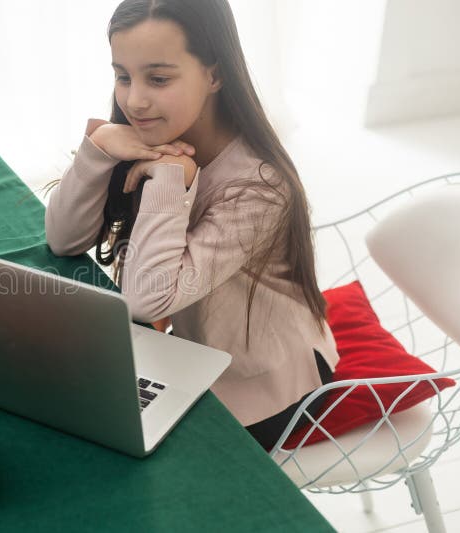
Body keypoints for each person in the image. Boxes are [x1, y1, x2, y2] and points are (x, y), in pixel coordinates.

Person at [44, 0, 339, 450]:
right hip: (190, 355)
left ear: (215, 75)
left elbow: (145, 300)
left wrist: (170, 175)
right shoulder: (151, 134)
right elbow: (63, 239)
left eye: (158, 79)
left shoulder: (260, 186)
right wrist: (99, 148)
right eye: (123, 76)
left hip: (268, 385)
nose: (135, 100)